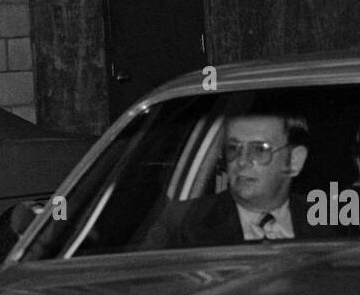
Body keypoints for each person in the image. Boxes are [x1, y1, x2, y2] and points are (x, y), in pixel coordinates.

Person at [141, 106, 333, 248]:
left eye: (259, 149)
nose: (241, 161)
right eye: (234, 148)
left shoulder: (328, 223)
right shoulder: (180, 223)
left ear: (294, 161)